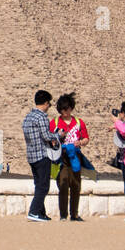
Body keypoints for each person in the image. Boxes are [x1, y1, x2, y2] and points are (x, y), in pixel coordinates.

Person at [49, 93, 89, 221]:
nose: (65, 112)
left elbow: (86, 138)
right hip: (61, 157)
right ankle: (63, 214)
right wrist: (57, 139)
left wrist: (80, 142)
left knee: (76, 185)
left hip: (75, 156)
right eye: (63, 109)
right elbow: (49, 140)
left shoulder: (78, 122)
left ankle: (74, 214)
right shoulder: (55, 123)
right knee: (63, 183)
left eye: (68, 109)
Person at [22, 90, 58, 222]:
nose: (49, 107)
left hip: (31, 156)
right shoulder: (41, 117)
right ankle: (34, 211)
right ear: (46, 103)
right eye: (49, 104)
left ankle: (41, 213)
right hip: (42, 155)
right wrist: (59, 135)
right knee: (43, 186)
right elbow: (46, 136)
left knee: (39, 185)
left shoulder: (28, 117)